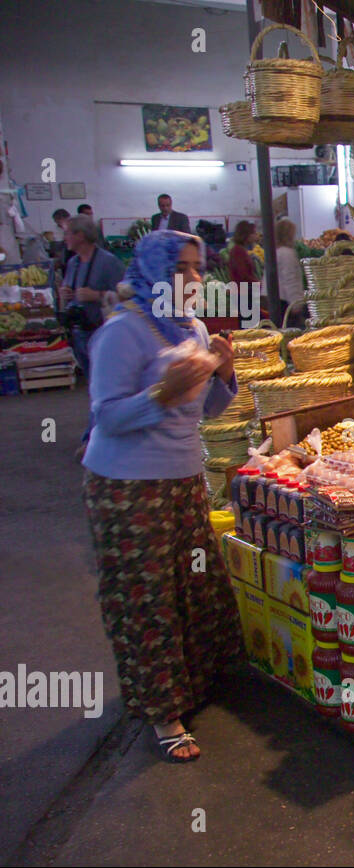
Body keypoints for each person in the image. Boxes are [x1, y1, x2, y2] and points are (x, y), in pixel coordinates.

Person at [81, 230, 243, 763]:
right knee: (146, 596)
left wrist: (225, 371)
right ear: (155, 273)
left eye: (199, 268)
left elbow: (208, 413)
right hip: (127, 488)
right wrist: (162, 391)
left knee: (192, 584)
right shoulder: (122, 333)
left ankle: (194, 682)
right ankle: (162, 710)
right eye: (184, 270)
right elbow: (107, 415)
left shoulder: (191, 328)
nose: (197, 280)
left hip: (182, 480)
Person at [60, 215, 125, 383]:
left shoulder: (108, 262)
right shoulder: (73, 263)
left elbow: (128, 297)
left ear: (80, 235)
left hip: (101, 333)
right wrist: (66, 294)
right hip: (78, 333)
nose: (64, 238)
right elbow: (69, 290)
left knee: (108, 382)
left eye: (67, 233)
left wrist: (98, 295)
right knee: (92, 385)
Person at [273, 218, 304, 321]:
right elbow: (290, 279)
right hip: (285, 302)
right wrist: (295, 303)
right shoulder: (287, 253)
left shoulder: (276, 252)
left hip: (276, 299)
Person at [227, 220, 261, 286]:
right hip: (243, 291)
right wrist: (258, 283)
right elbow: (243, 275)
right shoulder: (238, 251)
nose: (255, 235)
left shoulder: (241, 249)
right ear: (246, 235)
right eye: (253, 233)